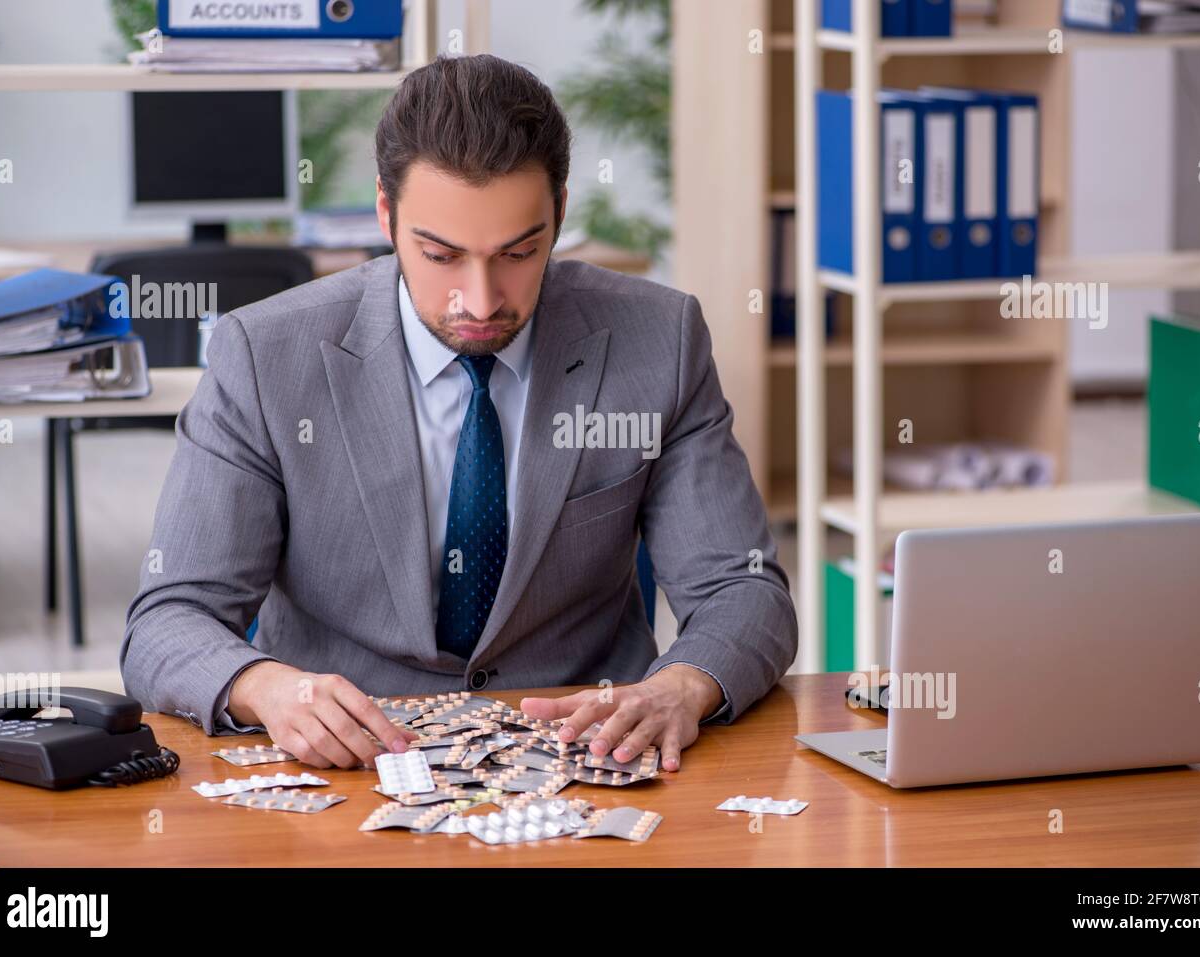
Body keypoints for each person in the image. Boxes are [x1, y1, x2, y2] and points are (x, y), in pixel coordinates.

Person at [121, 54, 797, 774]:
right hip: (346, 770)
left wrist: (680, 686)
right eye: (440, 254)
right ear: (386, 214)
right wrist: (265, 687)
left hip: (584, 763)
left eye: (518, 252)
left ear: (560, 212)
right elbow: (168, 618)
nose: (478, 300)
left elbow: (742, 587)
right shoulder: (265, 356)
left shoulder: (658, 341)